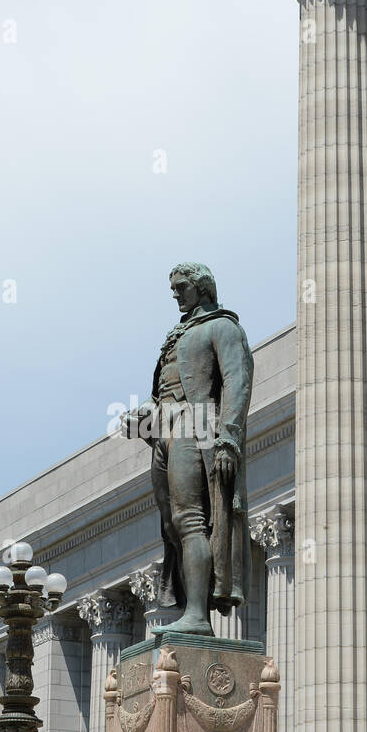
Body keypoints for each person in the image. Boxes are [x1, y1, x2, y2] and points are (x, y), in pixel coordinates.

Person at [122, 262, 253, 635]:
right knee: (173, 525)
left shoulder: (223, 327)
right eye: (174, 289)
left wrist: (229, 436)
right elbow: (160, 393)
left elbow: (236, 382)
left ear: (202, 288)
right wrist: (143, 417)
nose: (176, 294)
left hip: (199, 426)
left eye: (182, 287)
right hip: (165, 429)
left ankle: (198, 615)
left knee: (191, 518)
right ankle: (190, 609)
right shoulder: (177, 334)